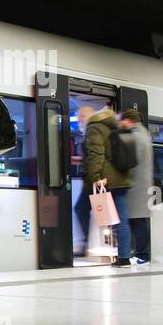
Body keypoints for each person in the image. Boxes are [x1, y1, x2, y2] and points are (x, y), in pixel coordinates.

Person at [81, 104, 133, 268]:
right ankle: (124, 257)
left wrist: (95, 177)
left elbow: (96, 154)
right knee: (122, 219)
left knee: (90, 212)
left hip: (107, 179)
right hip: (123, 177)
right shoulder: (115, 126)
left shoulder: (95, 128)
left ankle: (94, 248)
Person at [120, 108, 153, 265]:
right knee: (138, 220)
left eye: (122, 121)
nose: (121, 124)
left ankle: (143, 255)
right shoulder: (144, 134)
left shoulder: (135, 137)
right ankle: (140, 253)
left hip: (136, 184)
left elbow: (132, 162)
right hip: (142, 183)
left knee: (138, 221)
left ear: (128, 120)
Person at [72, 105, 95, 254]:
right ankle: (86, 243)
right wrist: (80, 160)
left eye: (81, 116)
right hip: (92, 178)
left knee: (81, 208)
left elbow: (96, 156)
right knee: (82, 209)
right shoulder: (88, 132)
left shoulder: (92, 131)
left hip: (94, 179)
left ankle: (86, 243)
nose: (79, 119)